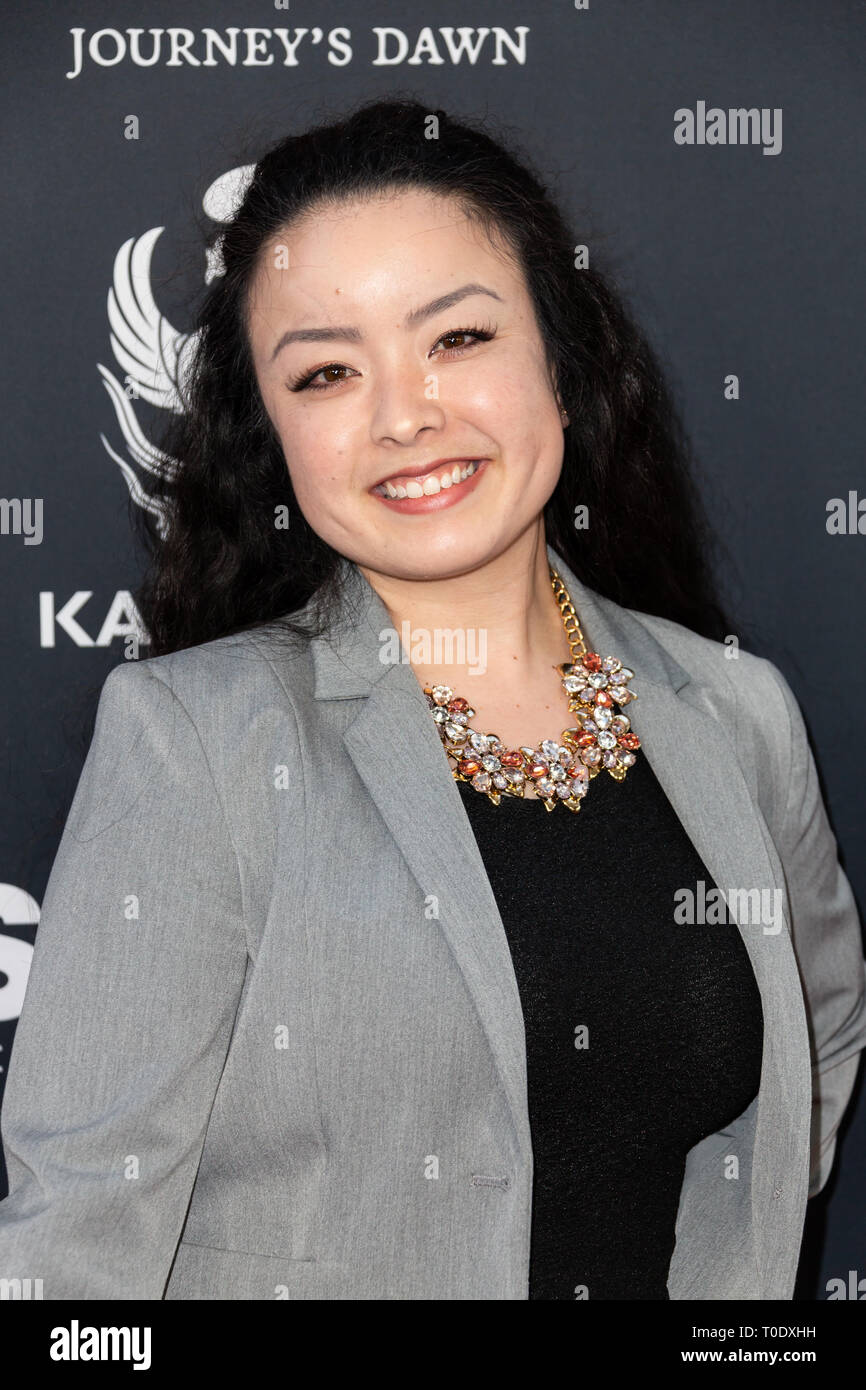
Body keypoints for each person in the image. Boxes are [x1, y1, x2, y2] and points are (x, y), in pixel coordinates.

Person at [1, 97, 864, 1301]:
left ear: (562, 363)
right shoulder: (200, 740)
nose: (403, 413)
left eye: (455, 339)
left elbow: (811, 1057)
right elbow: (73, 1241)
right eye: (325, 371)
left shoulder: (732, 711)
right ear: (275, 442)